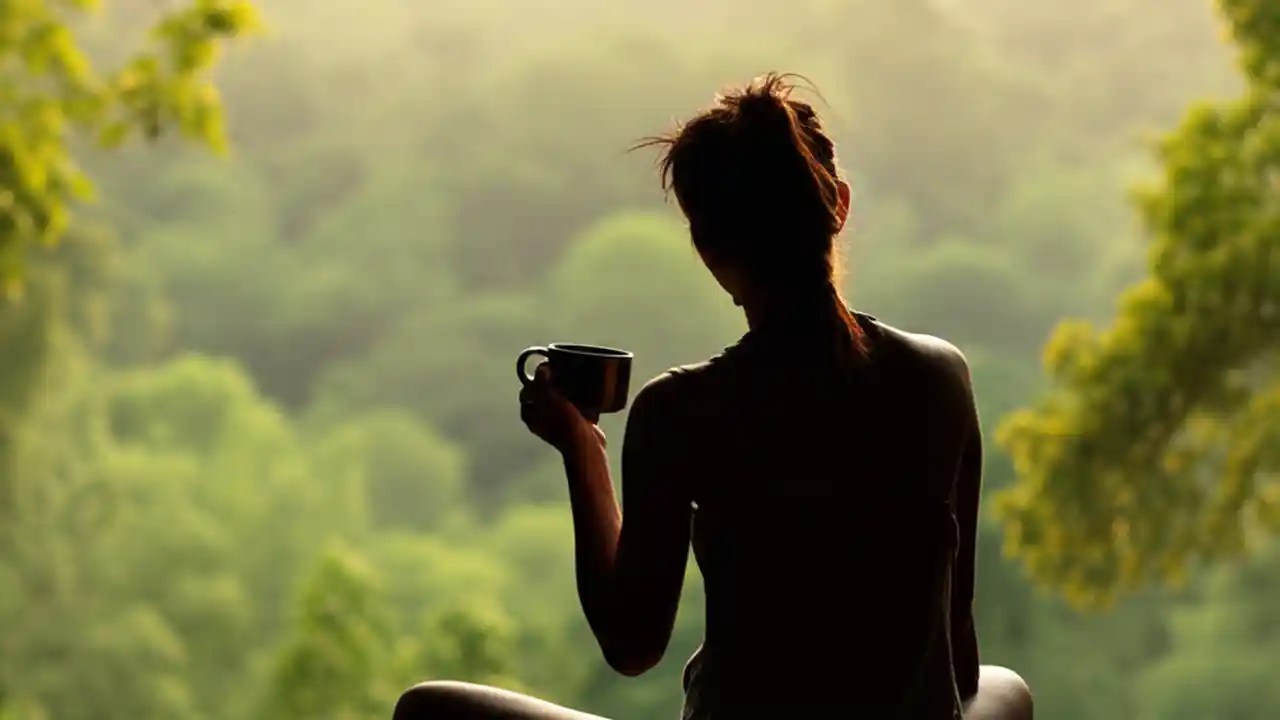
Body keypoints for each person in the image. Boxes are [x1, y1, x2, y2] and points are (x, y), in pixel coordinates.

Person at [393, 72, 1033, 720]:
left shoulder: (683, 413)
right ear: (837, 205)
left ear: (708, 248)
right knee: (1008, 690)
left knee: (428, 709)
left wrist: (581, 449)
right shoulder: (941, 375)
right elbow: (958, 647)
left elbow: (632, 642)